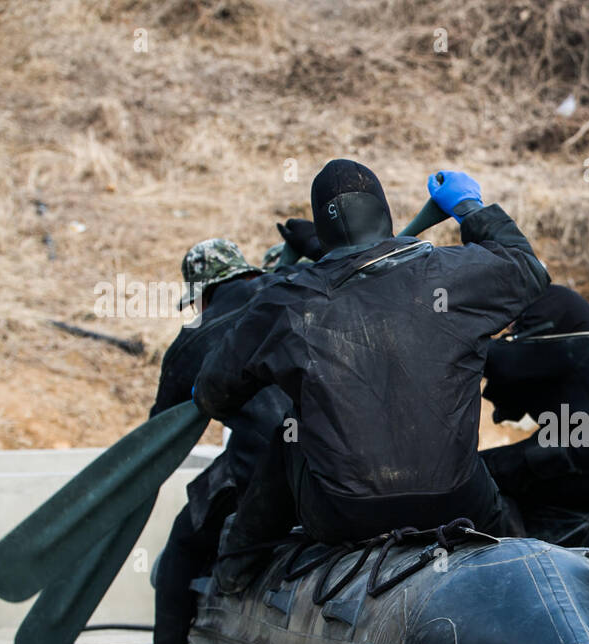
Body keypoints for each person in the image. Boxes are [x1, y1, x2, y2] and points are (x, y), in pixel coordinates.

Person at [193, 160, 548, 591]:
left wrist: (205, 391)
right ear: (384, 214)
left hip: (343, 512)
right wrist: (469, 206)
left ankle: (234, 570)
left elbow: (216, 394)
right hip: (459, 501)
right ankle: (535, 582)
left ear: (322, 235)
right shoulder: (452, 277)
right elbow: (528, 270)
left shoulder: (285, 300)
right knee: (494, 492)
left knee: (289, 434)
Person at [137, 239, 291, 644]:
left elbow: (160, 436)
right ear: (243, 273)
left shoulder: (192, 339)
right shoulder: (291, 287)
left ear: (203, 292)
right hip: (339, 453)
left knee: (184, 542)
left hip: (260, 469)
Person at [481, 284, 589, 542]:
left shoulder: (560, 328)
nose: (509, 330)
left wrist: (457, 338)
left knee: (479, 471)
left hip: (587, 453)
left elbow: (501, 362)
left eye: (512, 325)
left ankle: (516, 553)